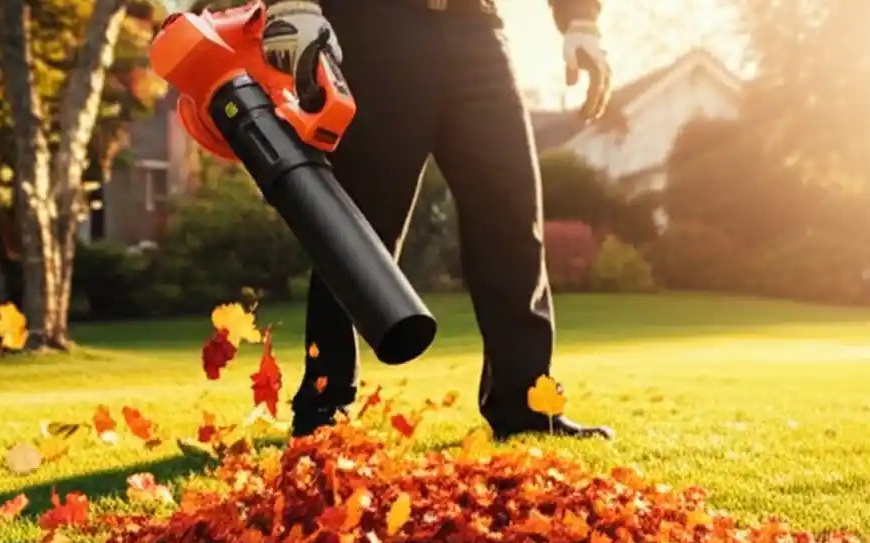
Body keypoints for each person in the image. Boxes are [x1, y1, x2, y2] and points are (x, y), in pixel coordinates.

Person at [262, 0, 615, 441]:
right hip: (375, 22)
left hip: (476, 26)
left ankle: (526, 405)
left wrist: (581, 21)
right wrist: (292, 6)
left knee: (510, 216)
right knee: (360, 225)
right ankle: (324, 406)